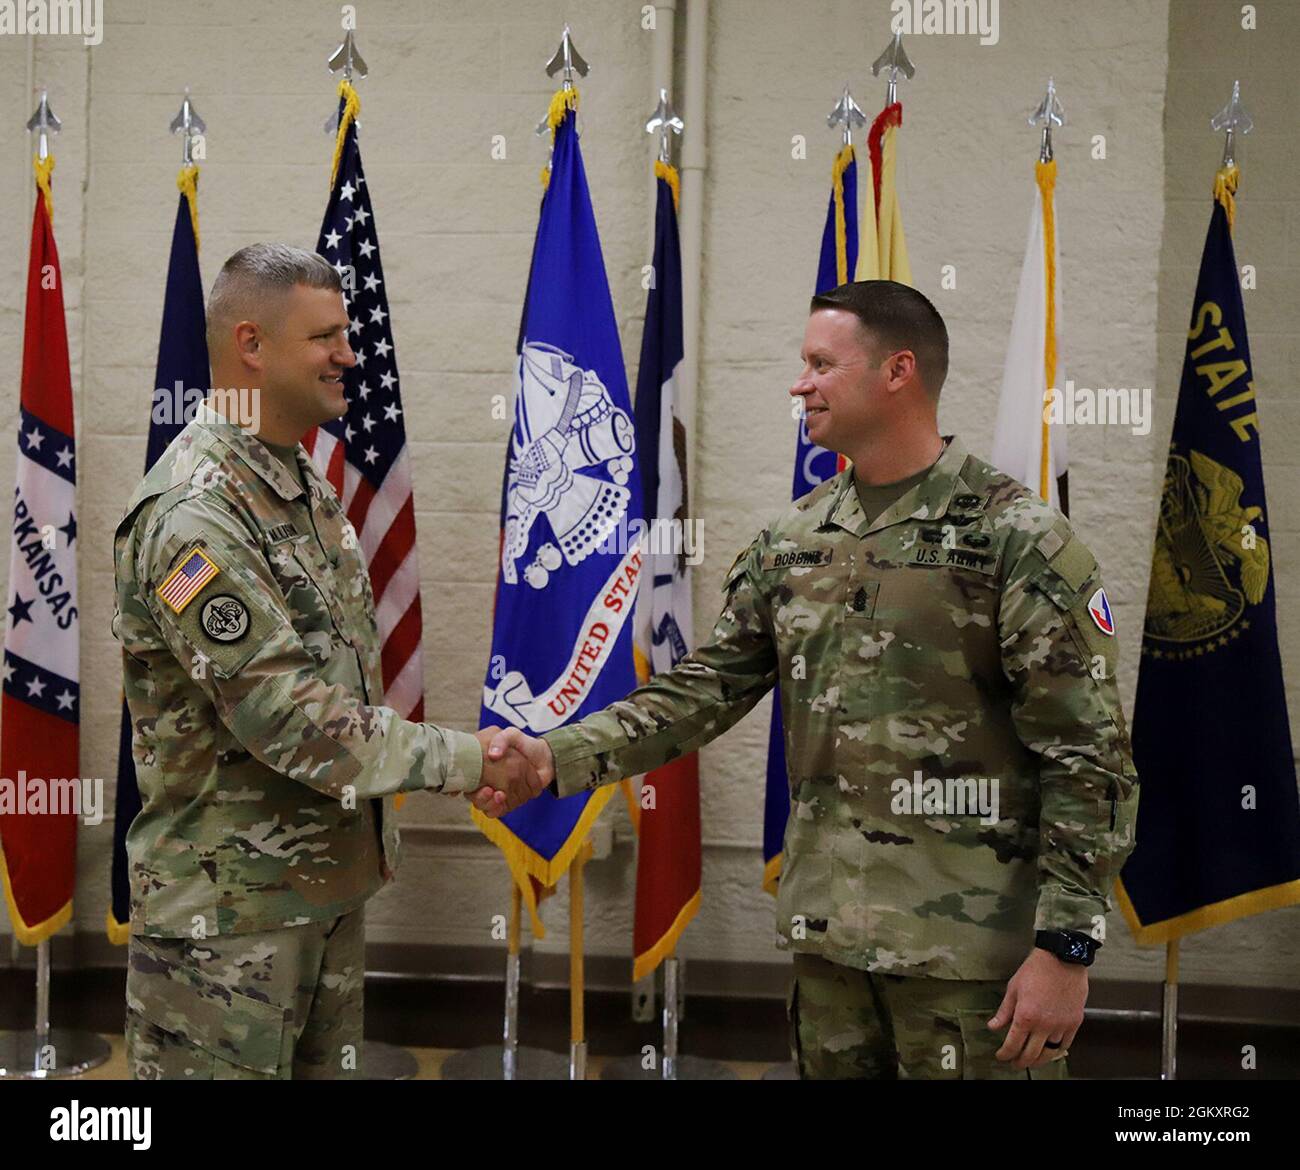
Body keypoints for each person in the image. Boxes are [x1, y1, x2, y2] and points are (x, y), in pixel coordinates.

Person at [489, 279, 1140, 1080]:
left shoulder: (1017, 539)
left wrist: (1066, 948)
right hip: (829, 946)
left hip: (975, 964)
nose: (800, 383)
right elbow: (699, 693)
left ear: (898, 371)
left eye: (821, 363)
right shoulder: (794, 540)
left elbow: (1089, 757)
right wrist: (554, 756)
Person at [112, 243, 542, 1080]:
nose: (351, 354)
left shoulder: (295, 478)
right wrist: (467, 758)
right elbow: (290, 718)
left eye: (347, 333)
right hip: (228, 927)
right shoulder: (196, 513)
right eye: (326, 337)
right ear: (251, 345)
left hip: (321, 894)